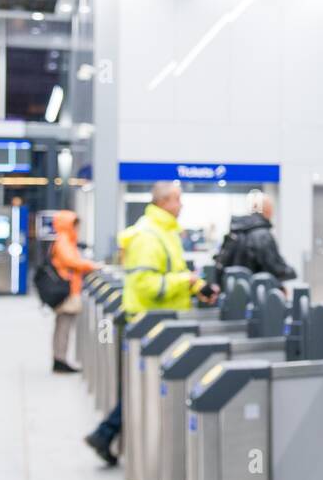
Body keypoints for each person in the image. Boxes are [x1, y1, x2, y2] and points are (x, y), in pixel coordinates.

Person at [83, 181, 216, 465]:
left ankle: (108, 435)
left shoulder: (166, 233)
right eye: (178, 200)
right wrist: (187, 281)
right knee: (142, 386)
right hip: (149, 324)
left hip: (164, 323)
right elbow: (146, 285)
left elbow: (174, 274)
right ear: (165, 202)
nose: (182, 205)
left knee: (142, 387)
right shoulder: (149, 236)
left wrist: (197, 286)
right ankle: (109, 436)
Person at [49, 210, 97, 374]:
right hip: (67, 290)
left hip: (69, 288)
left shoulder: (66, 239)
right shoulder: (63, 240)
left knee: (63, 325)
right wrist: (91, 265)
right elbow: (71, 261)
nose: (77, 228)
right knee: (64, 325)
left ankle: (60, 358)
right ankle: (60, 360)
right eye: (74, 224)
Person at [215, 190, 296, 281]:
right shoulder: (262, 235)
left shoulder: (236, 231)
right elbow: (275, 268)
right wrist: (291, 272)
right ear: (267, 210)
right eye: (271, 207)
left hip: (234, 288)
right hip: (257, 290)